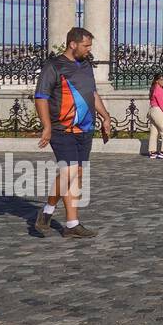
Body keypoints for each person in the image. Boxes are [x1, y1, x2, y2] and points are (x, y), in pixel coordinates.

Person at [33, 27, 110, 238]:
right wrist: (47, 126)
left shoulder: (86, 65)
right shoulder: (54, 66)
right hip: (62, 129)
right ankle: (47, 211)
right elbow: (41, 97)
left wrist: (105, 116)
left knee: (77, 175)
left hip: (85, 129)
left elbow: (92, 93)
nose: (89, 50)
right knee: (69, 172)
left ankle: (72, 224)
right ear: (72, 44)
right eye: (86, 46)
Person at [147, 72, 163, 160]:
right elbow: (162, 104)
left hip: (152, 110)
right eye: (162, 79)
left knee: (154, 132)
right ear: (157, 81)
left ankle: (153, 152)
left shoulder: (154, 88)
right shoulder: (159, 90)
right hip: (158, 111)